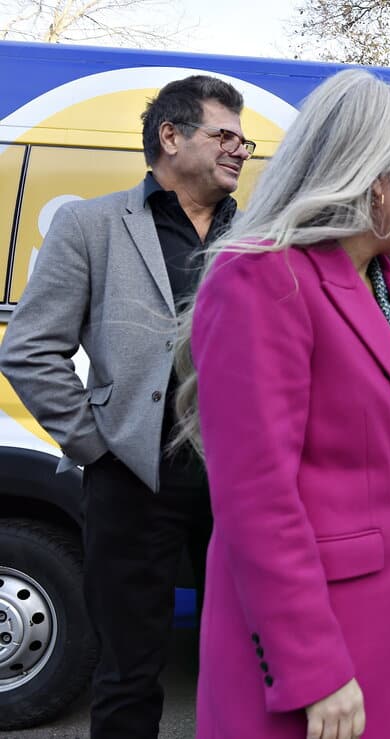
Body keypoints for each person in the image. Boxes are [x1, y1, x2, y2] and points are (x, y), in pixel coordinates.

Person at [172, 69, 390, 739]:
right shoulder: (260, 278)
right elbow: (257, 498)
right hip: (327, 639)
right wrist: (312, 666)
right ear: (373, 176)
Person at [0, 75, 250, 738]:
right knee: (127, 676)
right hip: (132, 483)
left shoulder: (260, 239)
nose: (239, 150)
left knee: (252, 666)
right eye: (223, 134)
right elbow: (28, 349)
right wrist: (99, 448)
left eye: (243, 139)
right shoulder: (92, 224)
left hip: (243, 487)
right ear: (170, 137)